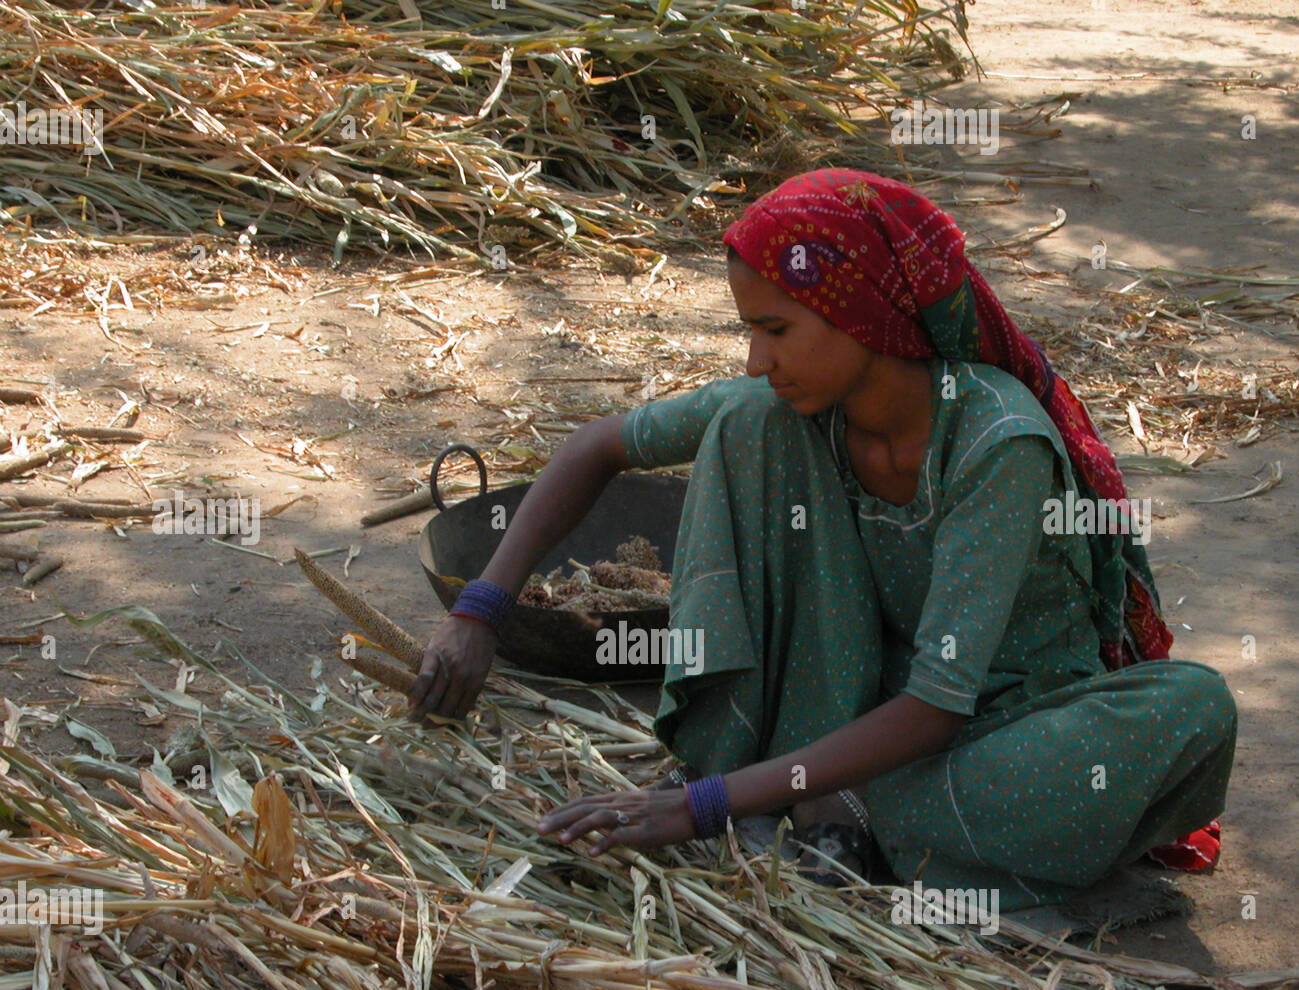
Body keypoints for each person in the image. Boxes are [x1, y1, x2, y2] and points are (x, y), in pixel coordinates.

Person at [409, 169, 1234, 912]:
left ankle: (829, 807)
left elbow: (940, 711)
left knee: (1195, 710)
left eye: (775, 328)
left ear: (860, 311)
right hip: (869, 707)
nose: (756, 356)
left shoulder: (995, 444)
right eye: (750, 330)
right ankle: (818, 799)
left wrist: (702, 808)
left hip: (999, 728)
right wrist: (480, 612)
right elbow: (597, 445)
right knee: (748, 424)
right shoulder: (803, 408)